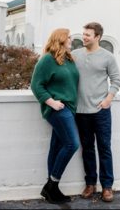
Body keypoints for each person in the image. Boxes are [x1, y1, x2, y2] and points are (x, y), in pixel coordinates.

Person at [72, 22, 120, 203]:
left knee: (104, 148)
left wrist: (108, 99)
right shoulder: (75, 55)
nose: (83, 37)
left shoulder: (108, 57)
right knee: (87, 149)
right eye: (83, 34)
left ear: (97, 37)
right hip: (81, 111)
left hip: (101, 111)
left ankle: (107, 187)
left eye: (87, 35)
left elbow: (116, 80)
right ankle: (90, 184)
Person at [30, 28, 80, 204]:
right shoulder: (47, 60)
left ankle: (52, 189)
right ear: (61, 39)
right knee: (72, 144)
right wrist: (51, 102)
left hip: (69, 108)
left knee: (57, 146)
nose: (71, 40)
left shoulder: (68, 59)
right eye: (69, 37)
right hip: (58, 109)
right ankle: (51, 185)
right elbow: (36, 85)